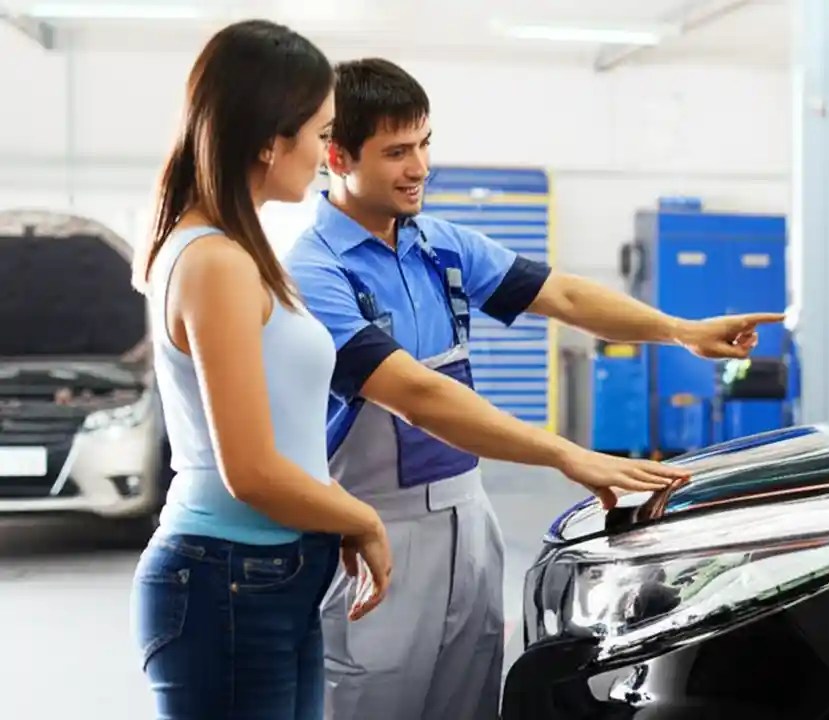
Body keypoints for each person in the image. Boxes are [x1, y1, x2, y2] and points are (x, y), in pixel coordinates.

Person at [284, 58, 783, 720]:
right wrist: (562, 453)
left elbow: (564, 293)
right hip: (375, 529)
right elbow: (415, 395)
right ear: (336, 155)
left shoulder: (440, 245)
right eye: (397, 151)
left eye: (425, 144)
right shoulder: (313, 271)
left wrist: (680, 330)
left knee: (469, 699)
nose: (420, 167)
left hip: (470, 518)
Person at [128, 21, 394, 720]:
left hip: (265, 574)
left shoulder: (233, 249)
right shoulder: (215, 261)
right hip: (231, 578)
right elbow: (248, 468)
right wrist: (359, 517)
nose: (325, 153)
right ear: (268, 140)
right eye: (319, 132)